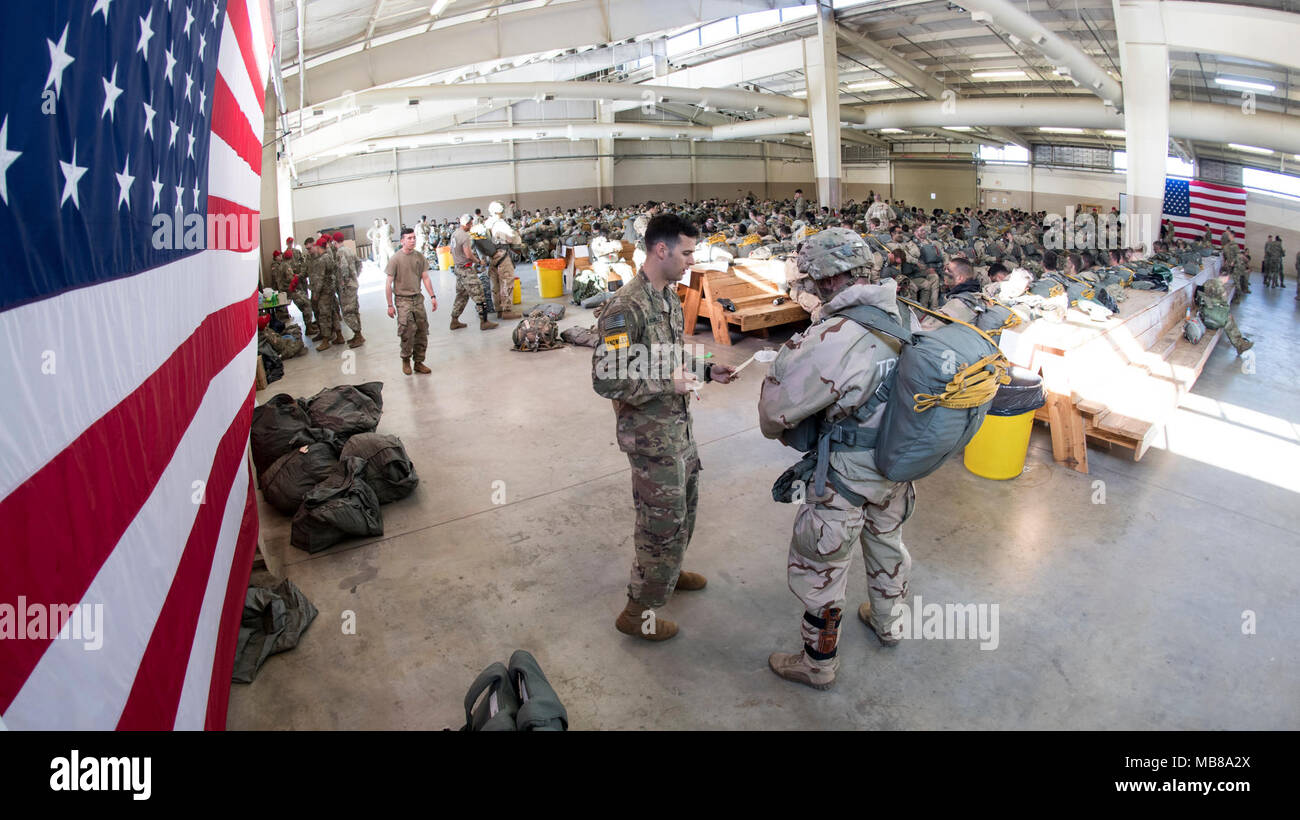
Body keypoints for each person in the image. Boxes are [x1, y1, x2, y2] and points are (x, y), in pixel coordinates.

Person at [757, 228, 915, 690]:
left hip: (845, 477)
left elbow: (774, 414)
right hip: (896, 466)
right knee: (887, 544)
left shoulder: (835, 336)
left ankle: (817, 665)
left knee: (822, 567)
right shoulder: (904, 314)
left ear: (828, 280)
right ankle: (889, 622)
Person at [591, 213, 737, 642]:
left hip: (677, 430)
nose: (692, 260)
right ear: (661, 249)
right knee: (659, 523)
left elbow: (668, 360)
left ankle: (668, 575)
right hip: (651, 438)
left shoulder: (668, 298)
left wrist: (707, 371)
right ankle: (638, 611)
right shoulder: (625, 308)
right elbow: (605, 377)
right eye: (687, 252)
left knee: (684, 510)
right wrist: (666, 382)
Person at [385, 227, 437, 375]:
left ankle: (419, 362)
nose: (412, 240)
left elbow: (425, 277)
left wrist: (432, 296)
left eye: (414, 237)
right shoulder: (395, 259)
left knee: (421, 331)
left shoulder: (419, 257)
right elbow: (388, 283)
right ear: (402, 241)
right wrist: (390, 305)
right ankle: (406, 360)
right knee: (407, 332)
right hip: (403, 300)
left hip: (417, 299)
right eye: (409, 238)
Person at [449, 214, 498, 331]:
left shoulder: (455, 234)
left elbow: (452, 251)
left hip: (458, 268)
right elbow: (468, 254)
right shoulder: (465, 236)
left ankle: (454, 321)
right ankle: (484, 322)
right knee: (479, 294)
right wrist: (478, 261)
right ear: (466, 224)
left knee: (462, 295)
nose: (471, 226)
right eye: (470, 224)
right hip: (466, 270)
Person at [484, 201, 523, 321]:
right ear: (500, 211)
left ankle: (499, 310)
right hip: (502, 255)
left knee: (495, 285)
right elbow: (512, 238)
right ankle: (506, 310)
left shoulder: (487, 222)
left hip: (492, 257)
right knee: (507, 282)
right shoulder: (500, 224)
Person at [332, 231, 365, 348]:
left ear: (334, 241)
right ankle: (358, 335)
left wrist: (344, 281)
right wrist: (355, 275)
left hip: (347, 287)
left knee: (347, 312)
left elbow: (344, 267)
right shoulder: (349, 250)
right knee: (354, 310)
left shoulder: (340, 252)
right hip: (353, 284)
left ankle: (358, 335)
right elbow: (359, 262)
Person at [307, 237, 339, 350]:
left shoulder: (321, 260)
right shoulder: (329, 257)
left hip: (324, 292)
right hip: (330, 290)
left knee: (324, 316)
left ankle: (326, 340)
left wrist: (316, 293)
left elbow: (320, 279)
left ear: (318, 246)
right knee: (333, 312)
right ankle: (339, 335)